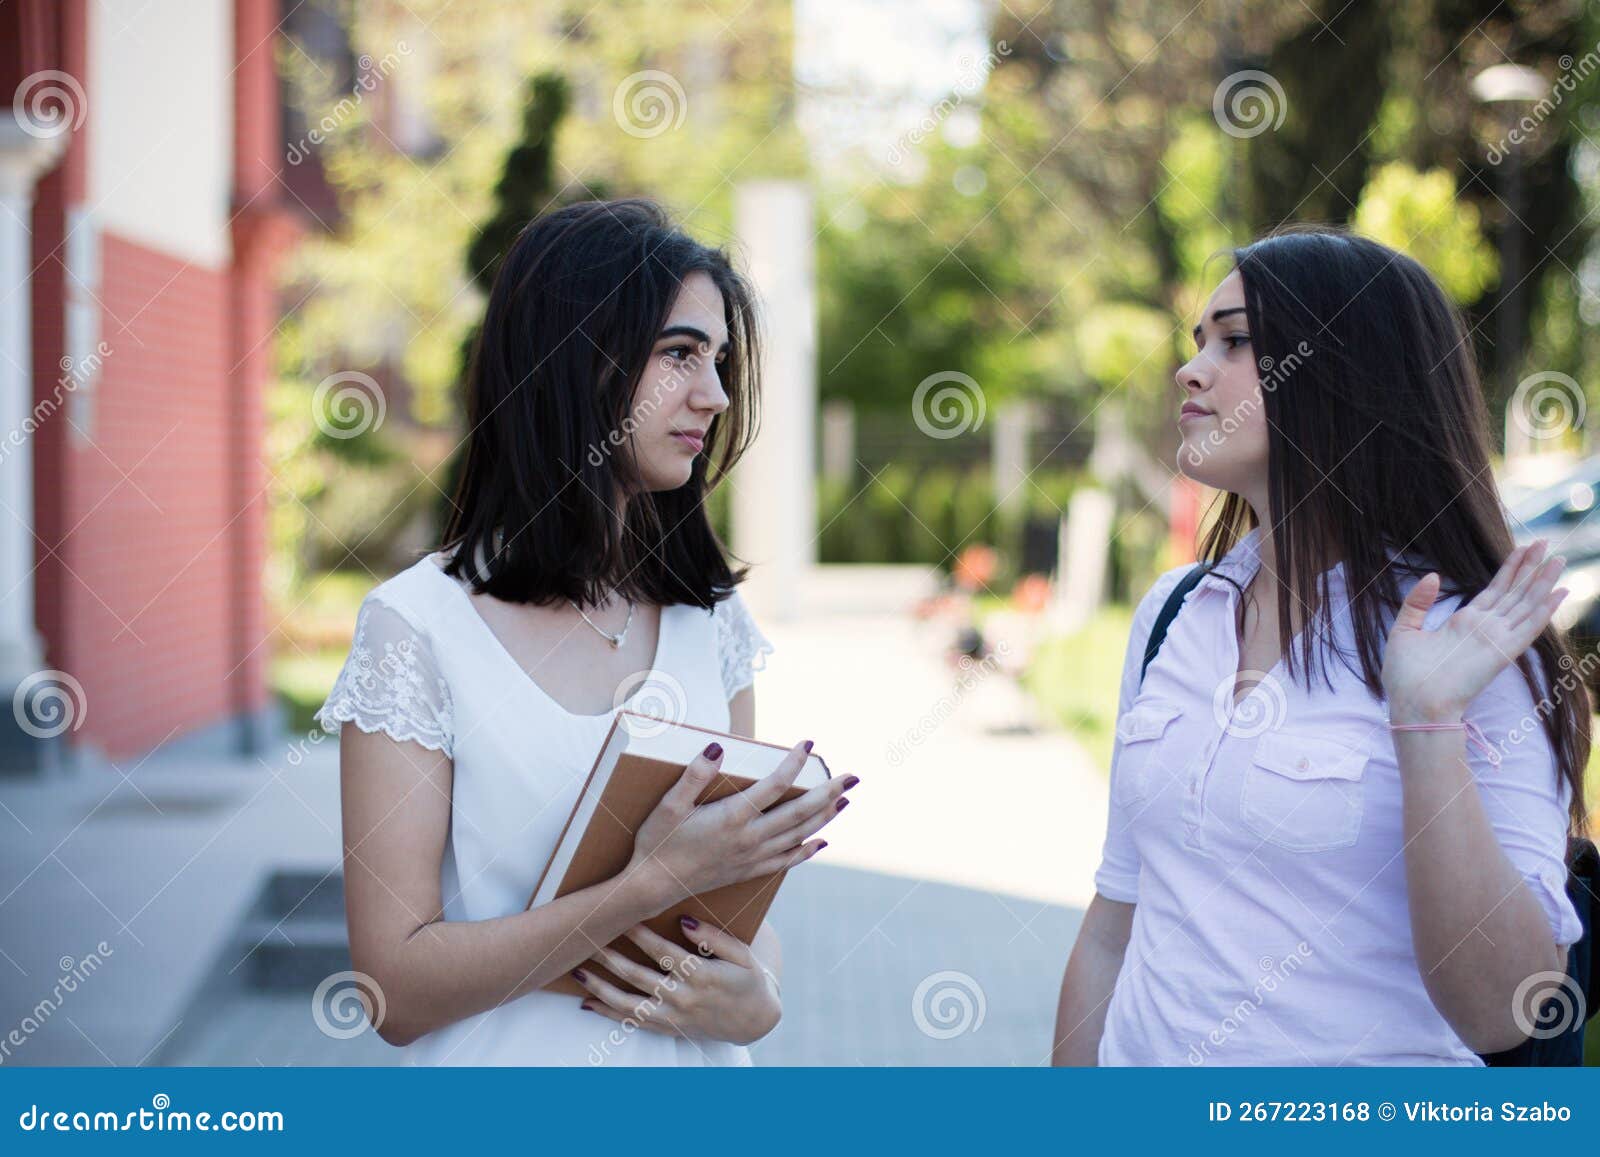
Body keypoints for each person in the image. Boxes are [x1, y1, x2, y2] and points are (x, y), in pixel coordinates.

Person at [315, 199, 857, 1066]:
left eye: (718, 361)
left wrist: (759, 997)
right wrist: (641, 888)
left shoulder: (710, 618)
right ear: (578, 361)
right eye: (680, 354)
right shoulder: (416, 628)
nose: (714, 394)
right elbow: (392, 991)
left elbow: (737, 916)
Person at [1053, 227, 1588, 1066]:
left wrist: (1426, 724)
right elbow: (1113, 927)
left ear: (1343, 375)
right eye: (1200, 342)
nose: (1191, 369)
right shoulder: (1174, 613)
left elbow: (1504, 1014)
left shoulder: (1477, 645)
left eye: (1235, 341)